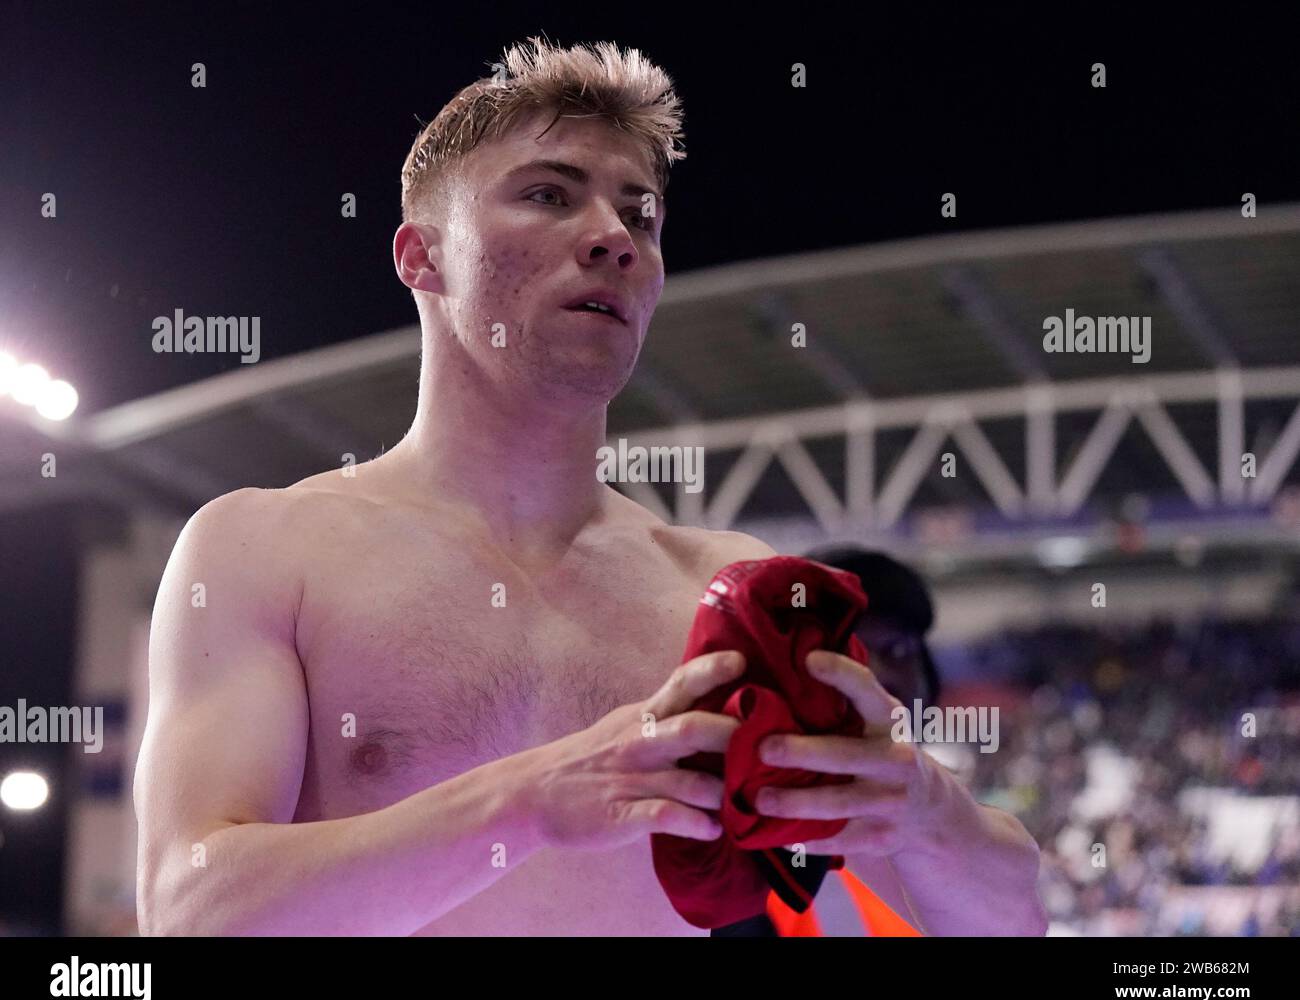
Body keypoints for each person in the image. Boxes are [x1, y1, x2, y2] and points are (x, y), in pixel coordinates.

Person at [133, 38, 1045, 937]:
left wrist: (925, 809)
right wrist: (531, 799)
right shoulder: (264, 548)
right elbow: (191, 908)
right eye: (549, 194)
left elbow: (1003, 924)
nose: (613, 235)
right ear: (422, 256)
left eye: (640, 216)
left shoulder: (728, 593)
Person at [713, 546, 946, 937]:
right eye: (849, 654)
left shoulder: (962, 823)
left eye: (898, 650)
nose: (877, 675)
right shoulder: (742, 850)